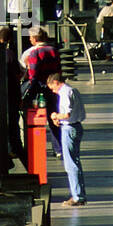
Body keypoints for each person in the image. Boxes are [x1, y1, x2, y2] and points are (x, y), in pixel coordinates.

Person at [46, 72, 86, 206]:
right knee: (75, 161)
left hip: (69, 129)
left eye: (52, 88)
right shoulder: (73, 90)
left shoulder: (64, 93)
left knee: (70, 164)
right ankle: (79, 194)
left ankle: (76, 197)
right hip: (76, 126)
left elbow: (67, 114)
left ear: (56, 83)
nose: (53, 91)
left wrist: (55, 116)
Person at [20, 27, 62, 155]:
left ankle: (35, 148)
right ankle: (58, 149)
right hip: (53, 88)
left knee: (35, 119)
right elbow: (59, 70)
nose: (30, 39)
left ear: (35, 38)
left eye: (31, 37)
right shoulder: (54, 50)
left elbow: (33, 75)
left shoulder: (34, 53)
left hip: (38, 89)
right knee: (53, 117)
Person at [0, 26, 26, 163]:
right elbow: (18, 74)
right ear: (10, 39)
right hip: (12, 96)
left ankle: (9, 150)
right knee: (13, 125)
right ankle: (14, 150)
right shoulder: (10, 54)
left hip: (0, 97)